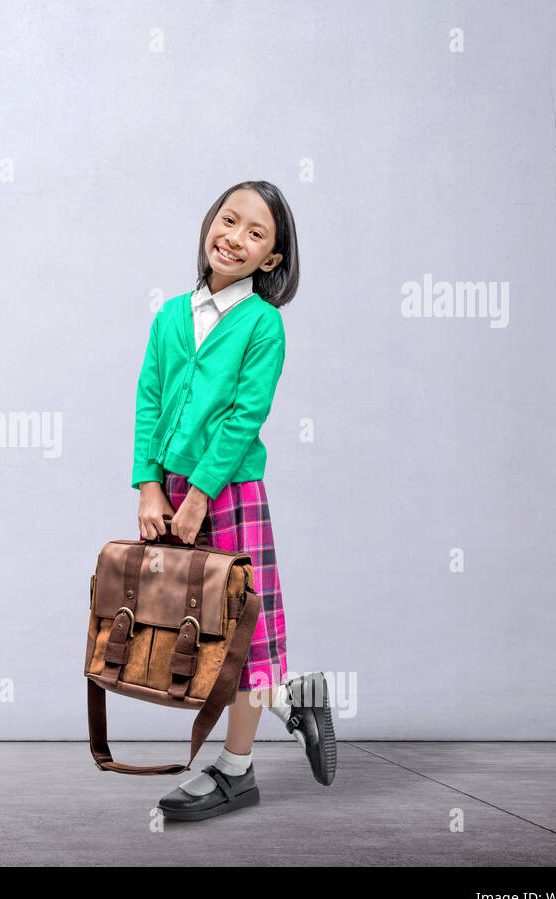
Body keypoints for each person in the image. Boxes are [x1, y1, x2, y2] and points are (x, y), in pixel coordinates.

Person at [131, 181, 336, 822]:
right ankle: (293, 698)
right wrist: (148, 484)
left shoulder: (262, 324)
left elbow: (244, 417)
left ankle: (237, 770)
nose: (236, 237)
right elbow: (148, 401)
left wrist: (198, 497)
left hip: (229, 495)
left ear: (272, 260)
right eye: (229, 220)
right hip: (168, 498)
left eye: (257, 234)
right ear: (209, 223)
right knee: (189, 629)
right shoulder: (169, 315)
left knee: (239, 637)